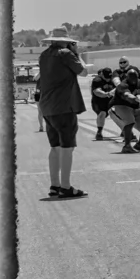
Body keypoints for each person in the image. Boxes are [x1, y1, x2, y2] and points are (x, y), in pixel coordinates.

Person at [36, 35, 86, 198]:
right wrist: (77, 54)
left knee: (55, 147)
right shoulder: (66, 53)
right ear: (67, 41)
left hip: (47, 106)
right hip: (64, 106)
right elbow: (83, 71)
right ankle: (65, 186)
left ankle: (54, 185)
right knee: (67, 147)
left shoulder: (44, 55)